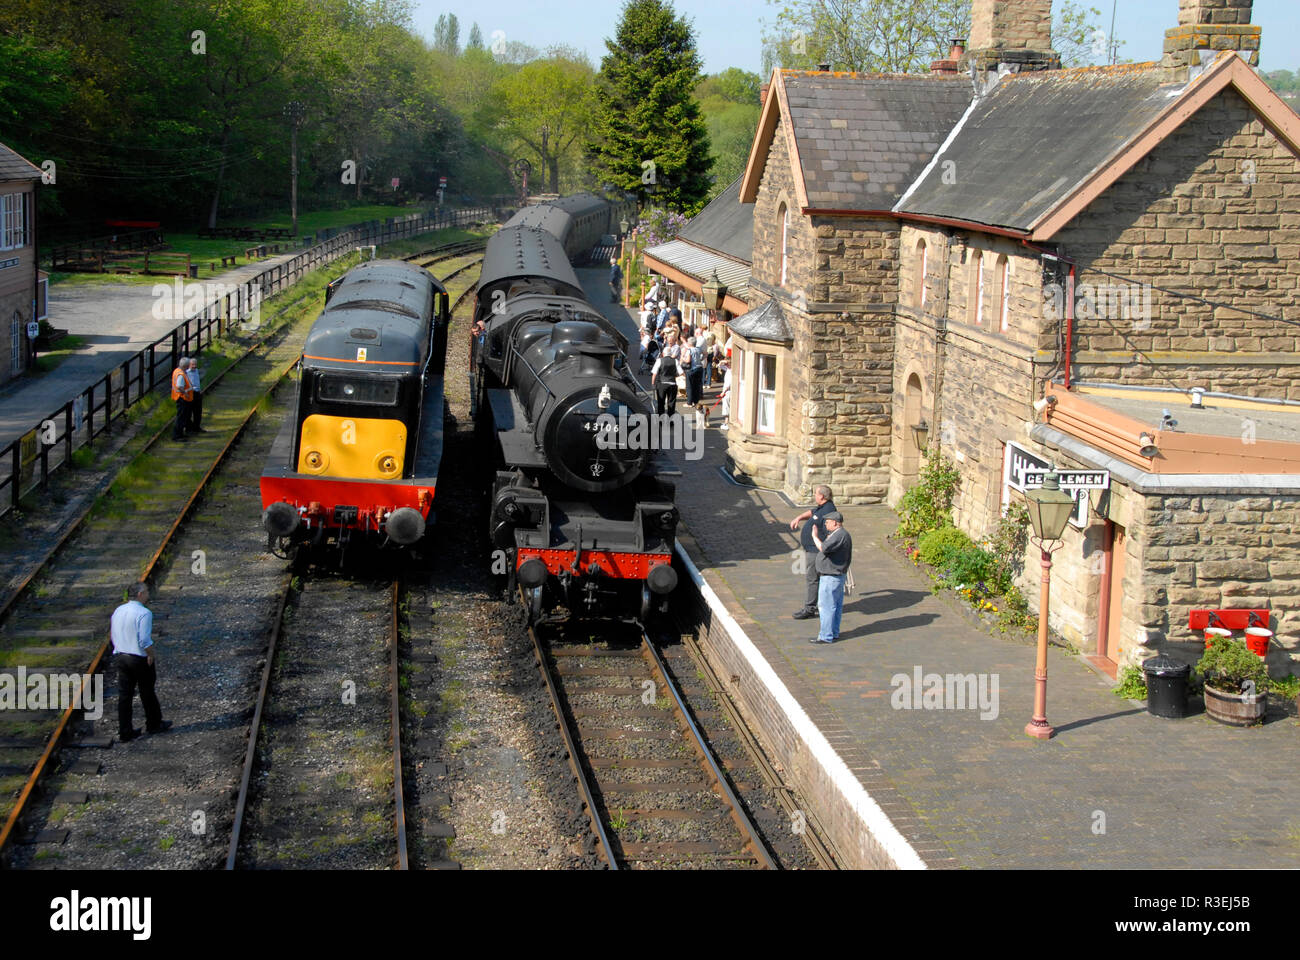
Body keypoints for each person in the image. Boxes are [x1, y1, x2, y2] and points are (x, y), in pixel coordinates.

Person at [109, 583, 171, 741]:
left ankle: (125, 731)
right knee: (147, 691)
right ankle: (154, 724)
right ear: (140, 594)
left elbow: (113, 633)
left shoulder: (118, 610)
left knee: (125, 695)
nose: (148, 594)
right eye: (147, 591)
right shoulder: (144, 613)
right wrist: (150, 654)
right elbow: (144, 639)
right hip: (138, 658)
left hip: (121, 656)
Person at [787, 485, 837, 619]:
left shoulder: (829, 510)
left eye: (816, 493)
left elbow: (832, 531)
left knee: (812, 579)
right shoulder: (822, 508)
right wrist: (799, 517)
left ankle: (809, 608)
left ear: (821, 496)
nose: (814, 495)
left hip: (816, 551)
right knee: (813, 578)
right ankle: (817, 604)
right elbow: (812, 512)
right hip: (811, 549)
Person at [810, 512, 852, 643]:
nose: (826, 524)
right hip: (836, 576)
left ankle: (825, 636)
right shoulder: (839, 534)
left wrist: (814, 536)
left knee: (826, 606)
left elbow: (823, 548)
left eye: (827, 522)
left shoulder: (839, 535)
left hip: (831, 576)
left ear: (835, 522)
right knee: (835, 606)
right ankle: (833, 633)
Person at [650, 347, 680, 416]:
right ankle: (671, 420)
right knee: (671, 402)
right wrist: (675, 375)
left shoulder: (659, 360)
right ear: (671, 354)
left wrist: (653, 384)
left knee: (661, 402)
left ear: (663, 354)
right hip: (672, 384)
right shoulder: (675, 361)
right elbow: (680, 372)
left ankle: (661, 419)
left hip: (662, 384)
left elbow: (654, 373)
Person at [171, 357, 193, 441]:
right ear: (186, 366)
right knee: (181, 417)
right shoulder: (181, 374)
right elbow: (180, 386)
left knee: (182, 417)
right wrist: (186, 394)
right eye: (188, 366)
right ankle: (177, 436)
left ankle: (180, 434)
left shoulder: (176, 371)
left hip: (179, 397)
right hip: (182, 398)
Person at [683, 335, 705, 408]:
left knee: (689, 386)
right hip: (699, 368)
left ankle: (689, 402)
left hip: (692, 369)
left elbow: (688, 360)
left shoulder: (689, 350)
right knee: (697, 386)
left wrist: (683, 358)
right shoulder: (698, 349)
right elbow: (706, 353)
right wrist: (701, 359)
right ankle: (696, 401)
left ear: (689, 343)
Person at [186, 357, 204, 433]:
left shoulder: (196, 370)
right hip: (190, 393)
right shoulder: (186, 372)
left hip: (197, 393)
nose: (194, 366)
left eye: (195, 364)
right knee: (189, 412)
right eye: (192, 364)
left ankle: (197, 427)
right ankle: (189, 428)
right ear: (189, 365)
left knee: (198, 412)